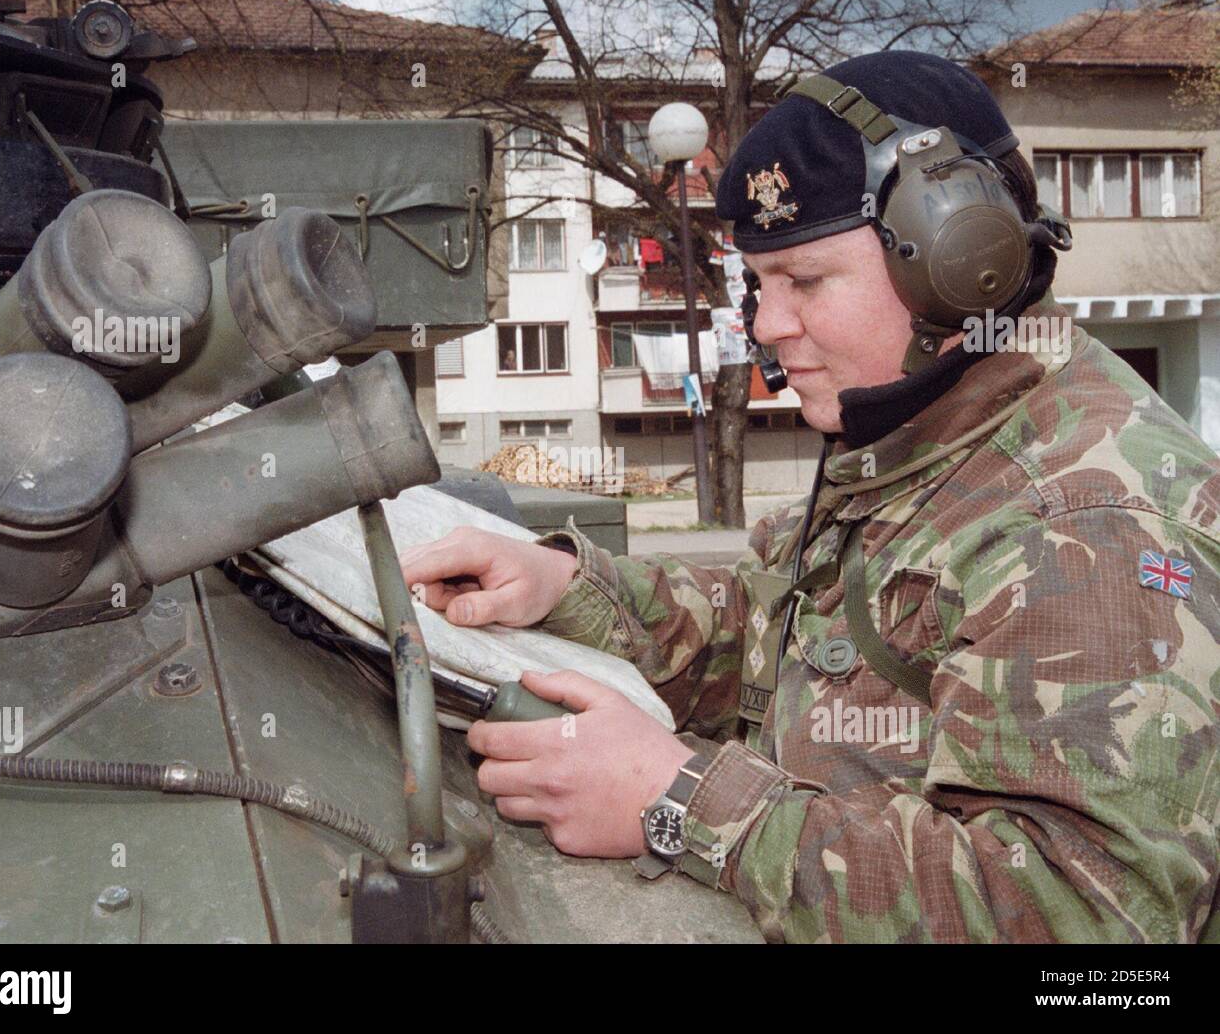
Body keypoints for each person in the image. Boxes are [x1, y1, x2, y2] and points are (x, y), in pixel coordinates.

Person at [401, 50, 1220, 943]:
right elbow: (781, 641)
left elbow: (1085, 926)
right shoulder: (919, 441)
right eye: (760, 282)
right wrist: (571, 589)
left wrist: (682, 802)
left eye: (806, 281)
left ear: (959, 260)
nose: (765, 323)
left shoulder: (1087, 523)